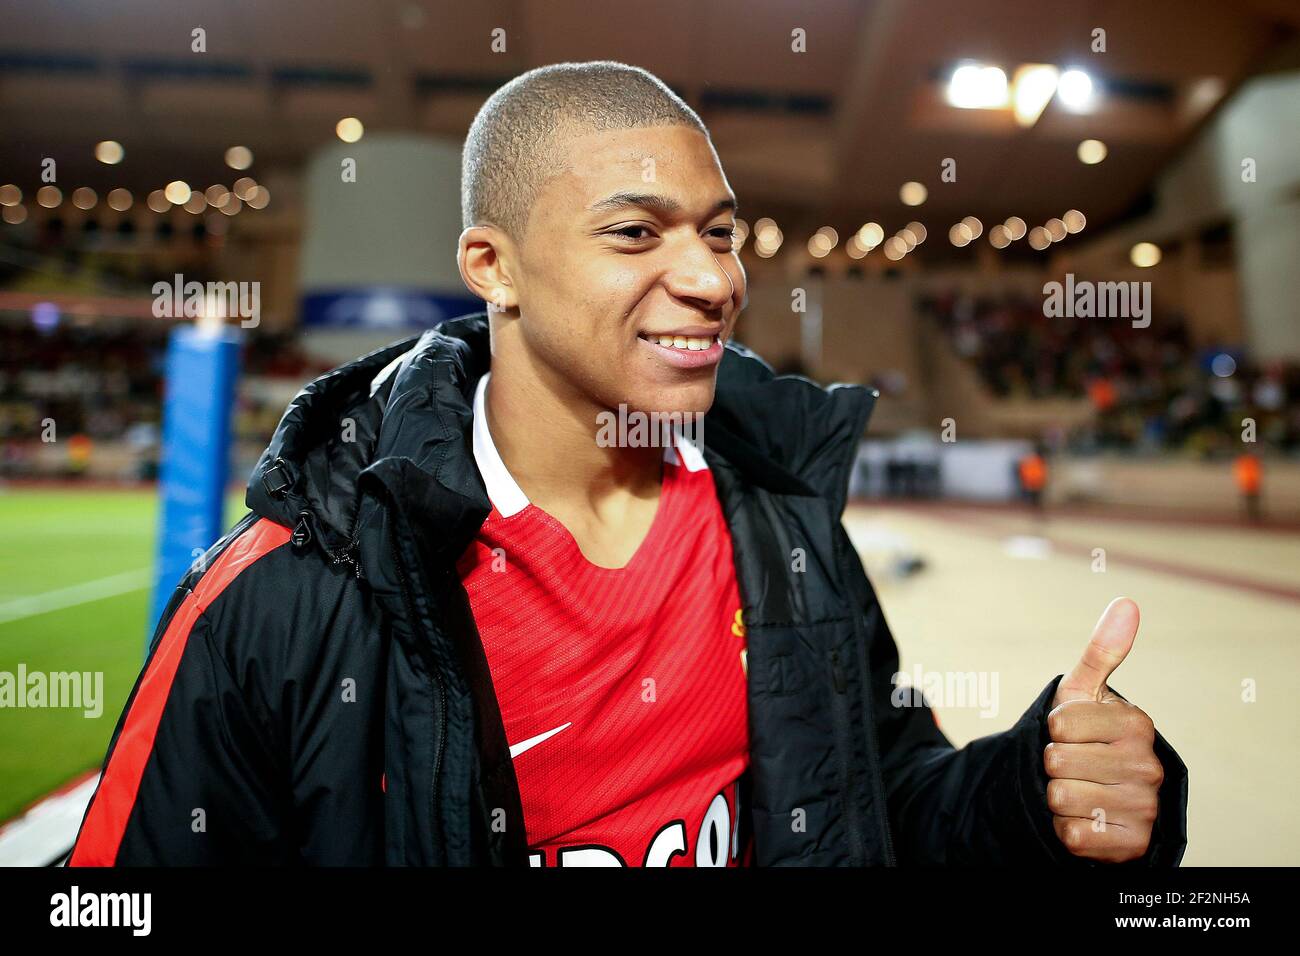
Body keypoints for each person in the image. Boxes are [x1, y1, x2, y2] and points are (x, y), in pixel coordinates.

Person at [68, 61, 1187, 867]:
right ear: (491, 266)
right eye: (634, 233)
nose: (710, 279)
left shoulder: (777, 521)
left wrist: (1032, 790)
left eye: (720, 230)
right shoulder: (283, 593)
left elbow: (875, 797)